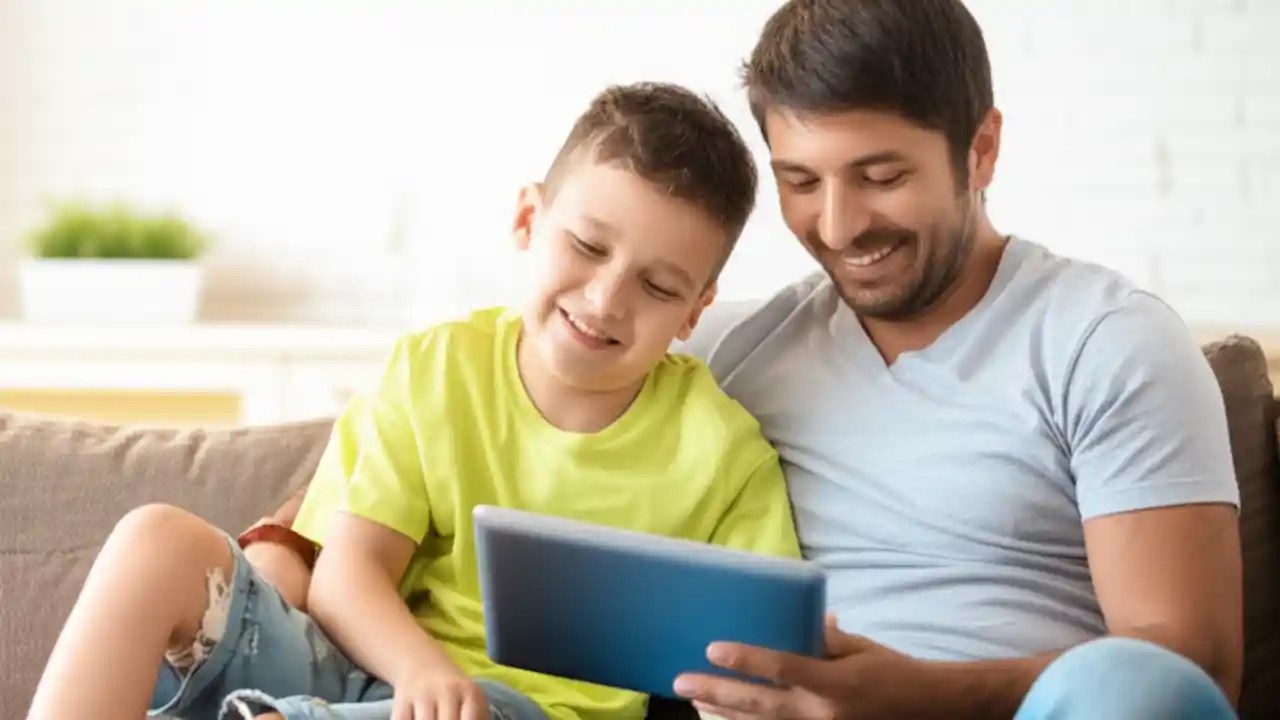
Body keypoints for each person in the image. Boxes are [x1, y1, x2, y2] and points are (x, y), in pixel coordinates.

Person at [26, 82, 803, 720]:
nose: (605, 300)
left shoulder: (724, 454)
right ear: (529, 220)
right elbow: (346, 575)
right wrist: (423, 672)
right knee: (155, 538)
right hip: (368, 664)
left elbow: (760, 659)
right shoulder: (440, 368)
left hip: (524, 712)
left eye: (658, 286)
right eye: (588, 247)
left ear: (695, 310)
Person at [664, 1, 1243, 719]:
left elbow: (1188, 670)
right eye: (803, 182)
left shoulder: (1105, 340)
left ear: (981, 149)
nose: (840, 227)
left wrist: (920, 697)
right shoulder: (726, 354)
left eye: (880, 176)